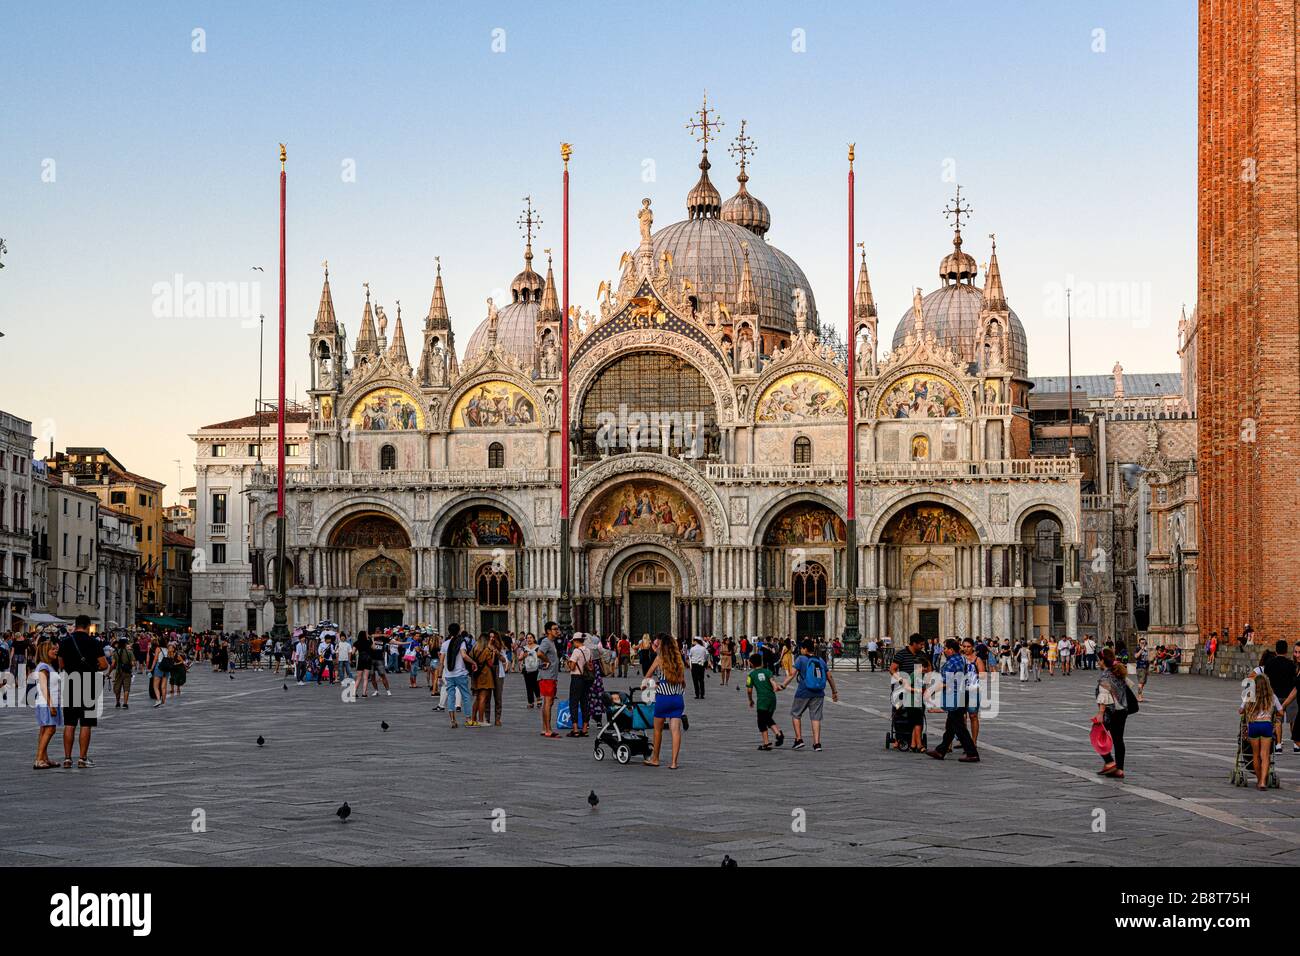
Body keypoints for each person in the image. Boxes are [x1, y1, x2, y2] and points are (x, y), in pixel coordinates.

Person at [57, 615, 107, 769]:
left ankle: (67, 758)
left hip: (71, 682)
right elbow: (104, 664)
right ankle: (82, 758)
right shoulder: (94, 642)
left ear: (76, 625)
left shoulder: (65, 642)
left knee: (69, 723)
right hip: (89, 683)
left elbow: (61, 664)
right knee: (86, 723)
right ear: (88, 626)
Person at [777, 639, 839, 752]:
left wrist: (783, 686)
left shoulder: (801, 659)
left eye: (801, 648)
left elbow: (791, 674)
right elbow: (829, 677)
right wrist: (834, 692)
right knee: (816, 718)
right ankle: (817, 743)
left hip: (803, 692)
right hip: (819, 693)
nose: (800, 650)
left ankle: (799, 739)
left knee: (796, 714)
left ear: (805, 649)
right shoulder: (820, 660)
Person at [925, 639, 980, 763]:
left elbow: (946, 682)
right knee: (951, 726)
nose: (943, 651)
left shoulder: (951, 663)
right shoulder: (961, 659)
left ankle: (972, 753)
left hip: (955, 696)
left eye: (945, 648)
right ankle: (941, 750)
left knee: (959, 726)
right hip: (961, 694)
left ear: (951, 649)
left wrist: (931, 691)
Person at [643, 633, 686, 769]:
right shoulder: (679, 661)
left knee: (658, 730)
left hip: (663, 698)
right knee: (675, 731)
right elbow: (683, 682)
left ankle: (655, 758)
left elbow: (647, 676)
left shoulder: (659, 659)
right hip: (678, 699)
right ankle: (674, 762)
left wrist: (652, 685)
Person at [1095, 646, 1132, 779]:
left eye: (1099, 660)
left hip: (1110, 711)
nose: (1098, 662)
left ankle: (1109, 762)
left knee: (1098, 735)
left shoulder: (1105, 676)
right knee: (1118, 739)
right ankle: (1120, 769)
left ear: (1103, 661)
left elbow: (1104, 696)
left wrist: (1100, 713)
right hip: (1123, 710)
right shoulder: (1118, 672)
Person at [1242, 672, 1283, 790]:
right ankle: (1263, 782)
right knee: (1264, 755)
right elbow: (1281, 712)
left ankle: (1259, 779)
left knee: (1255, 755)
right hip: (1266, 725)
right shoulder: (1272, 696)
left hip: (1254, 725)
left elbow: (1241, 710)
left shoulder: (1249, 695)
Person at [889, 633, 926, 752]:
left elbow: (929, 668)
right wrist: (901, 680)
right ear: (914, 643)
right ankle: (899, 738)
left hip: (918, 690)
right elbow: (892, 669)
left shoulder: (922, 655)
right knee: (899, 712)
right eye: (920, 645)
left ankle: (915, 740)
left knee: (918, 714)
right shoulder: (901, 654)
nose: (922, 647)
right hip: (902, 690)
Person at [746, 652, 785, 750]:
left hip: (762, 700)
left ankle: (774, 737)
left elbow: (749, 690)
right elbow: (773, 682)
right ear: (761, 662)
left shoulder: (751, 676)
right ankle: (774, 737)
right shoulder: (768, 672)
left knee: (762, 721)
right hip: (772, 698)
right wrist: (776, 687)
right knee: (767, 718)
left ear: (751, 663)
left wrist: (750, 700)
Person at [32, 637, 61, 770]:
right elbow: (44, 687)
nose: (56, 651)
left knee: (44, 730)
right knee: (50, 729)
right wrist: (51, 705)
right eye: (53, 649)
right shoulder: (43, 667)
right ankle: (39, 759)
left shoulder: (47, 666)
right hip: (47, 702)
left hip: (46, 702)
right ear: (46, 651)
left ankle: (44, 758)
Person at [1263, 640, 1296, 755]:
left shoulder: (1270, 663)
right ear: (1286, 651)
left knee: (1277, 720)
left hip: (1275, 695)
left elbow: (1266, 677)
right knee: (1293, 720)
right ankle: (1296, 744)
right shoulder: (1291, 664)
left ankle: (1278, 745)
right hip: (1290, 696)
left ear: (1276, 650)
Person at [437, 625, 474, 727]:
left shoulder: (444, 644)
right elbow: (464, 655)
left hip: (449, 674)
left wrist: (440, 675)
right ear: (458, 632)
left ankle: (453, 720)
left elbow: (441, 662)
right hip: (460, 674)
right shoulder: (461, 642)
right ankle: (468, 719)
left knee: (451, 697)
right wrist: (473, 662)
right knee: (466, 696)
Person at [566, 633, 593, 737]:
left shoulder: (576, 651)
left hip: (577, 678)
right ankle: (585, 729)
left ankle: (575, 729)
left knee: (573, 703)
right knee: (585, 703)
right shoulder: (588, 651)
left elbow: (572, 667)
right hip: (586, 679)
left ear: (576, 641)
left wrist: (568, 662)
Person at [538, 621, 561, 738]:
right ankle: (548, 730)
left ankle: (544, 728)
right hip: (547, 677)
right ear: (548, 631)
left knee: (548, 703)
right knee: (548, 702)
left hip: (550, 676)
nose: (557, 631)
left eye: (557, 629)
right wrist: (547, 661)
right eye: (555, 629)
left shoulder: (551, 642)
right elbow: (539, 653)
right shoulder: (546, 641)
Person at [467, 633, 495, 727]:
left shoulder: (474, 649)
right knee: (483, 698)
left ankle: (473, 718)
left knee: (477, 698)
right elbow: (490, 664)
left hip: (476, 675)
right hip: (485, 674)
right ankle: (481, 720)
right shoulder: (486, 650)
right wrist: (493, 654)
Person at [111, 636, 134, 708]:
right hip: (127, 672)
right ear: (125, 644)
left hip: (118, 672)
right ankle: (125, 703)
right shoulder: (129, 652)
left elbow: (113, 664)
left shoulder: (115, 652)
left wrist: (109, 673)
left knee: (117, 688)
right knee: (126, 688)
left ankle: (117, 702)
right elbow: (133, 663)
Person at [520, 632, 541, 708]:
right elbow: (519, 658)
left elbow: (542, 656)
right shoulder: (524, 648)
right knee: (528, 686)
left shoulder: (538, 647)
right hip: (527, 669)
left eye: (530, 637)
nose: (529, 639)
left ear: (534, 639)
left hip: (536, 669)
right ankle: (530, 702)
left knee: (536, 685)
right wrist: (523, 656)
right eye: (527, 638)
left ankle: (538, 699)